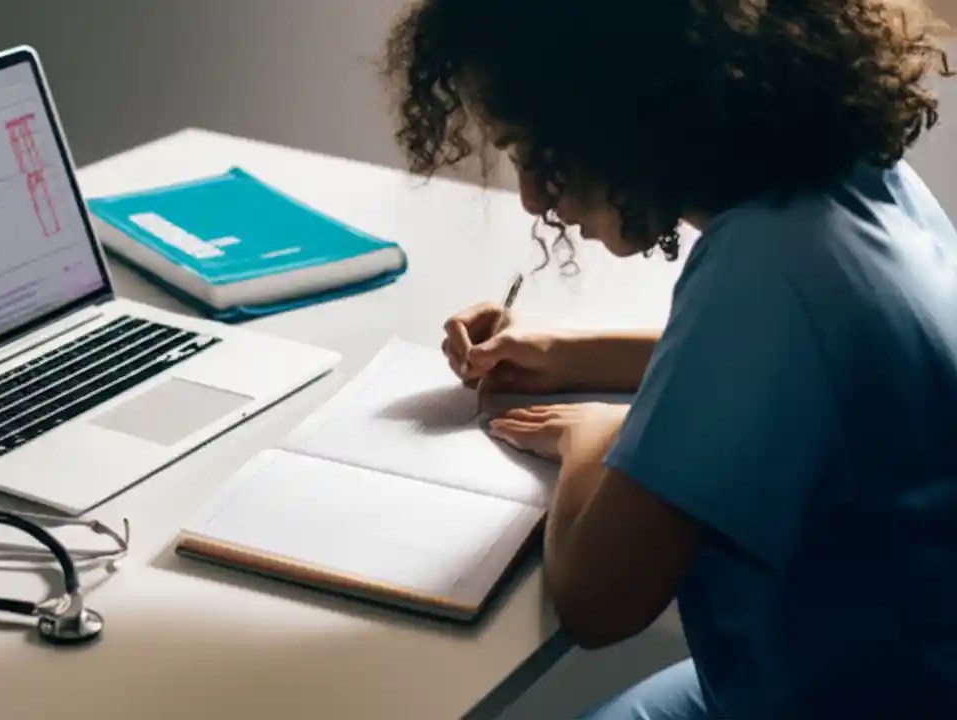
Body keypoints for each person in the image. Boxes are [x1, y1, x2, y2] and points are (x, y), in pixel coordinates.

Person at [383, 0, 957, 717]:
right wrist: (571, 354)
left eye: (537, 150)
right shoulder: (854, 181)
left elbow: (599, 599)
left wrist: (593, 436)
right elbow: (814, 367)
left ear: (626, 108)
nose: (533, 197)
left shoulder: (760, 270)